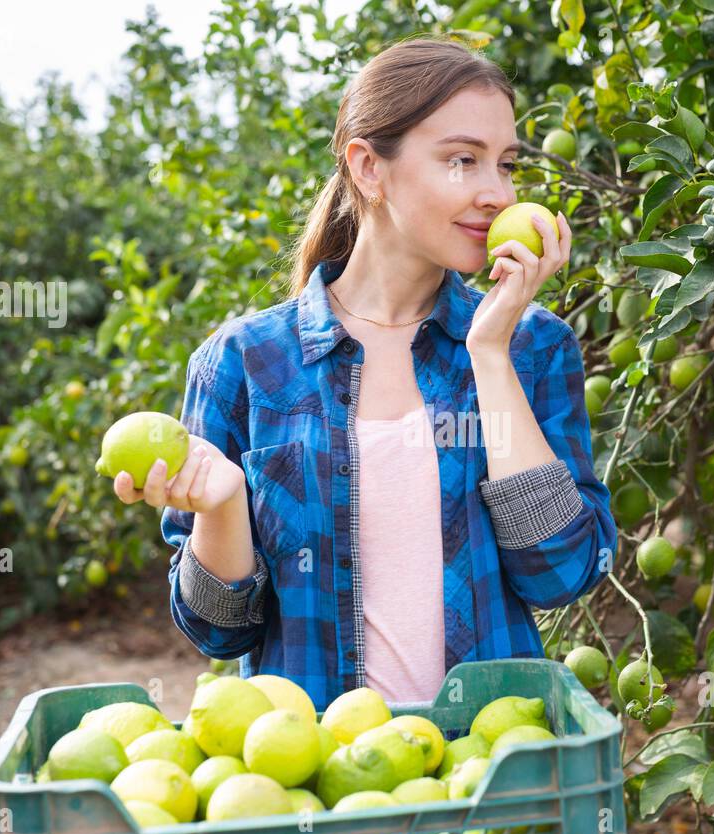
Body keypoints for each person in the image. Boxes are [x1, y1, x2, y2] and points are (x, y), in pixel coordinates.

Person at [110, 36, 617, 712]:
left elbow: (561, 573)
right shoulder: (245, 363)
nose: (497, 193)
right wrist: (224, 506)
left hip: (495, 773)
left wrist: (489, 355)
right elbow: (218, 629)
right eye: (462, 160)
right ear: (370, 170)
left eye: (506, 164)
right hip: (315, 781)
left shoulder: (533, 348)